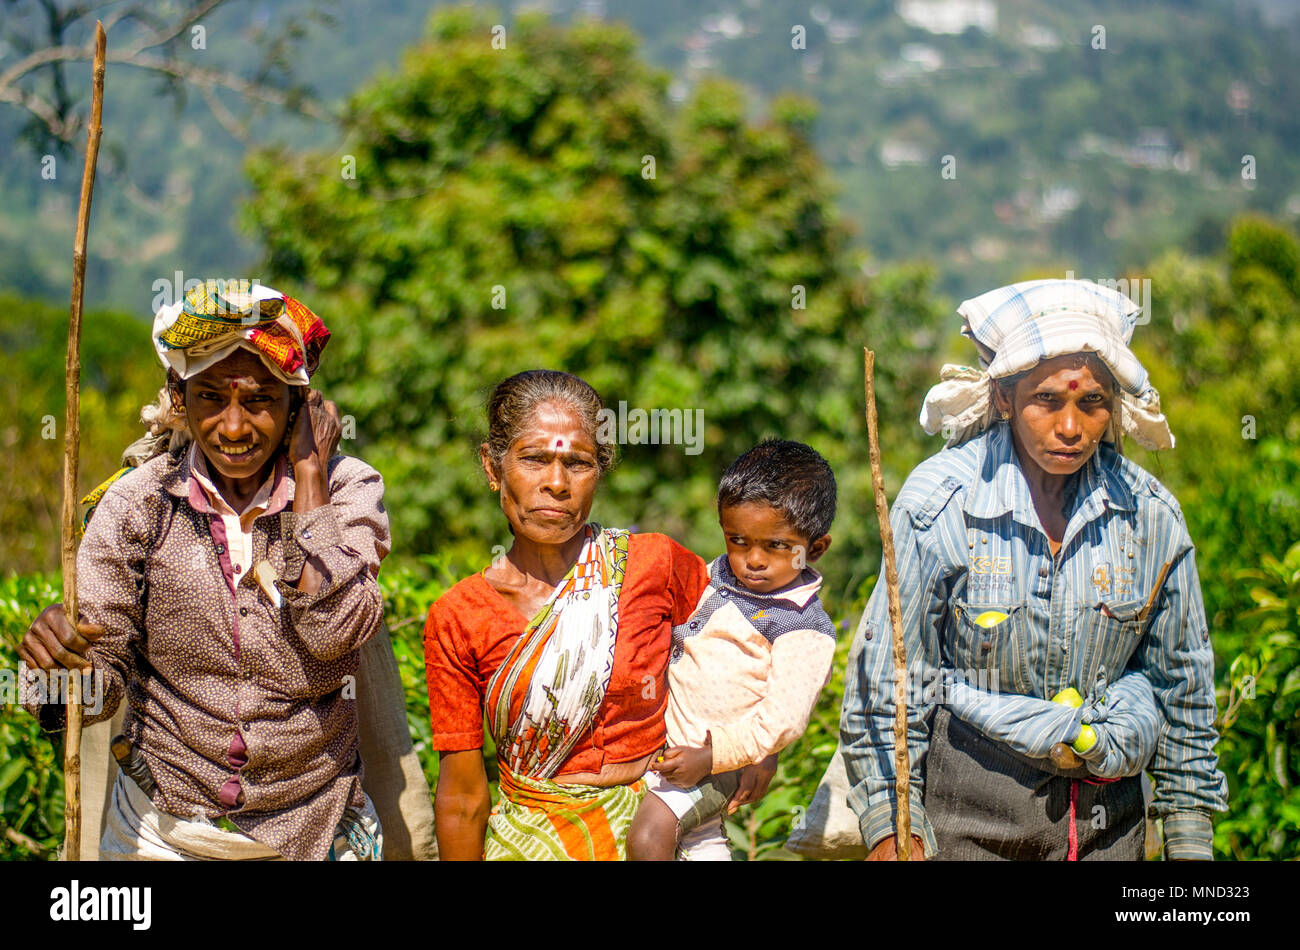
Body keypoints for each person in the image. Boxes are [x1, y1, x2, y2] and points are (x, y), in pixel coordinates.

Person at [840, 278, 1228, 861]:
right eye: (1047, 400)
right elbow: (889, 681)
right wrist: (894, 828)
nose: (1070, 427)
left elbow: (1184, 688)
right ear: (1003, 398)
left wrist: (1190, 843)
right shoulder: (940, 507)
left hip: (1109, 823)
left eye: (1091, 402)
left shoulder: (1150, 518)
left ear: (1113, 406)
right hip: (966, 815)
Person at [18, 279, 398, 860]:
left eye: (261, 399)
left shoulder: (348, 489)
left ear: (300, 406)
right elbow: (98, 685)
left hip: (314, 828)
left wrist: (310, 478)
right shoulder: (138, 503)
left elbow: (333, 631)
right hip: (162, 834)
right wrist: (58, 669)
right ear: (180, 397)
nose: (235, 427)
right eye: (211, 398)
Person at [424, 370, 778, 860]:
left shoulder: (654, 564)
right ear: (492, 466)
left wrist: (759, 745)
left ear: (600, 471)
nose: (556, 483)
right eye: (533, 459)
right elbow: (462, 796)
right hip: (529, 843)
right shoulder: (460, 615)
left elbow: (758, 633)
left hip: (657, 829)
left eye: (577, 463)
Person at [627, 439, 839, 861]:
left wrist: (712, 757)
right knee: (700, 844)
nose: (752, 559)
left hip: (718, 766)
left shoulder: (804, 629)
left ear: (815, 547)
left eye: (776, 546)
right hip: (669, 749)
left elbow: (782, 719)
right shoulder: (715, 575)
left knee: (650, 837)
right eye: (738, 540)